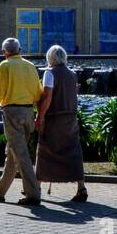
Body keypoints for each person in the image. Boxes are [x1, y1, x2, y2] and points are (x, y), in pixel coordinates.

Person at [0, 37, 43, 207]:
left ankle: (33, 194)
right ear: (20, 50)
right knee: (13, 152)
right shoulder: (30, 66)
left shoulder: (4, 66)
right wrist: (39, 116)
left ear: (4, 53)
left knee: (20, 154)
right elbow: (38, 95)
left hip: (12, 113)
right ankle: (0, 190)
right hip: (29, 112)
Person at [35, 45, 87, 203]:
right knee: (73, 152)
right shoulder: (72, 74)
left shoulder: (49, 73)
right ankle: (81, 187)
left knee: (44, 151)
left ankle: (36, 188)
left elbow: (48, 97)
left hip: (54, 118)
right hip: (70, 119)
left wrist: (40, 116)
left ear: (50, 58)